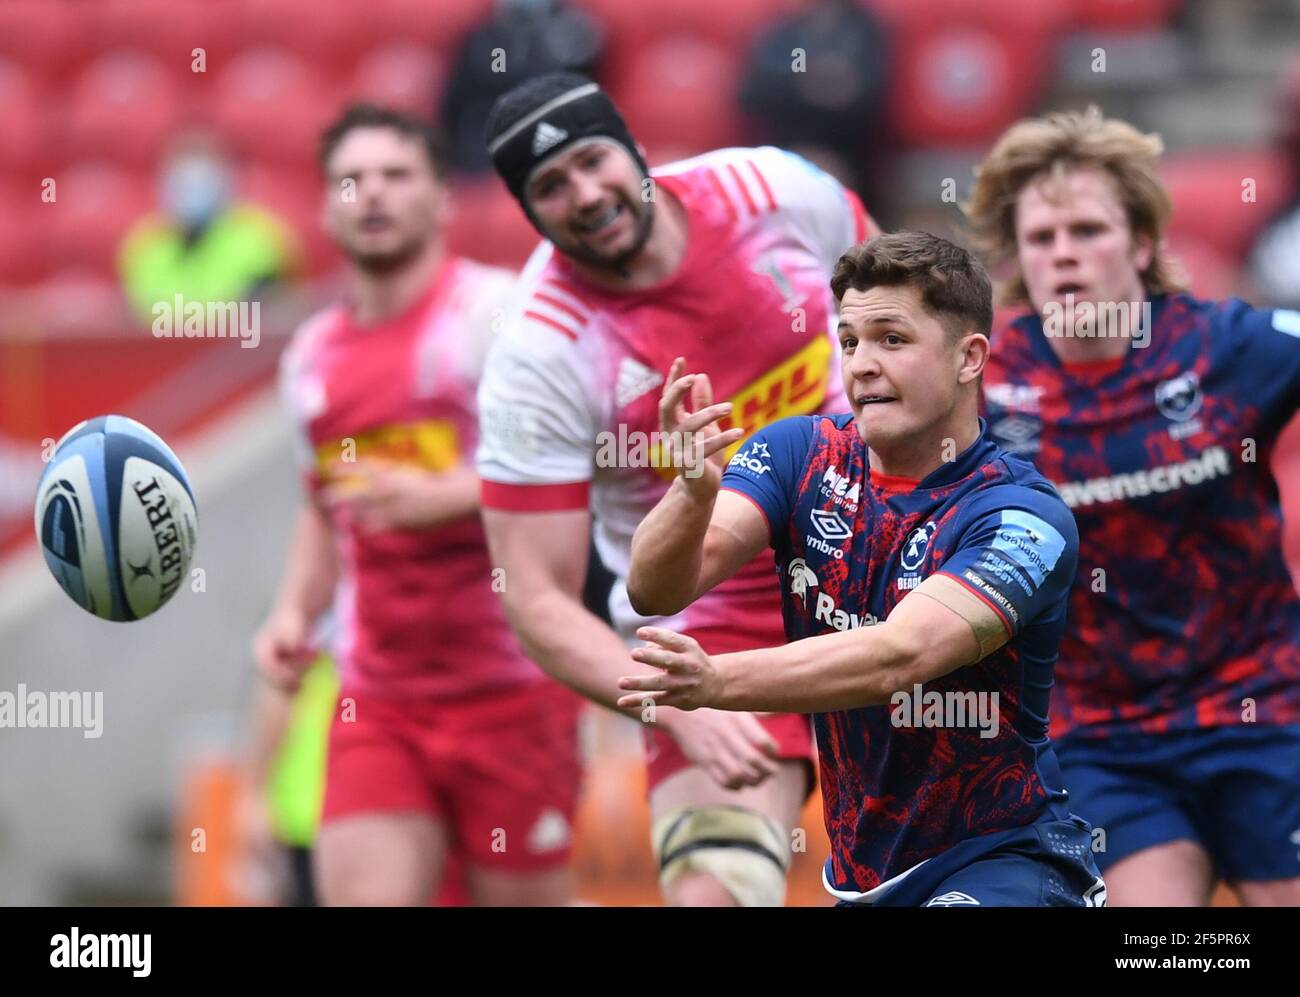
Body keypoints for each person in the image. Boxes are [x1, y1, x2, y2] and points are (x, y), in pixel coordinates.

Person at [477, 72, 878, 906]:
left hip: (892, 562)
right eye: (550, 186)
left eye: (593, 161)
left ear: (635, 150)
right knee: (713, 894)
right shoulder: (537, 353)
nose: (585, 194)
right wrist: (677, 709)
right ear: (529, 214)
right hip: (712, 636)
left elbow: (911, 326)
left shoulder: (769, 189)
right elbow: (536, 599)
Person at [619, 231, 1105, 907]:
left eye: (892, 339)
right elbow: (656, 586)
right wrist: (691, 493)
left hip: (1004, 860)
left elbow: (896, 658)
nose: (863, 364)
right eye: (849, 341)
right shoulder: (797, 452)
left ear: (970, 358)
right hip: (859, 877)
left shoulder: (1022, 518)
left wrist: (713, 679)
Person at [967, 106, 1300, 905]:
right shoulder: (980, 388)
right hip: (1101, 738)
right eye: (1042, 239)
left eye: (1088, 229)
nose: (1065, 253)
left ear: (1144, 245)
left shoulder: (1227, 347)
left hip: (1265, 708)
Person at [254, 103, 583, 906]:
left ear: (441, 198)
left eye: (396, 175)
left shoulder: (494, 319)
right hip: (381, 696)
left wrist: (446, 495)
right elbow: (322, 507)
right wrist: (292, 612)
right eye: (350, 180)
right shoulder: (311, 360)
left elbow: (576, 470)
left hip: (513, 685)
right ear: (326, 206)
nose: (372, 194)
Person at [119, 130, 298, 325]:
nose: (193, 185)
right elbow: (136, 318)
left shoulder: (262, 237)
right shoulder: (144, 244)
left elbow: (261, 316)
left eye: (203, 175)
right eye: (182, 179)